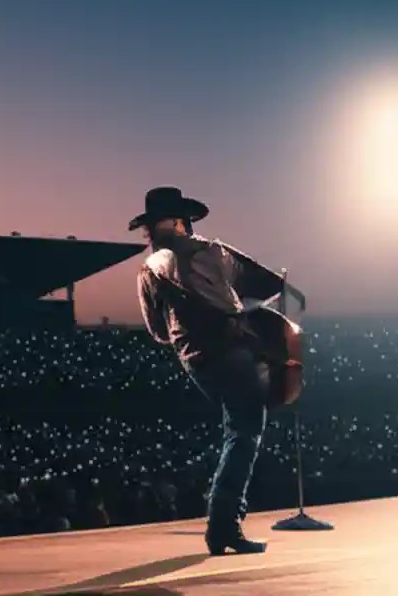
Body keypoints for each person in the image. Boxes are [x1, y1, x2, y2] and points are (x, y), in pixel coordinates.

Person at [130, 186, 287, 555]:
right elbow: (268, 287)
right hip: (233, 350)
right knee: (245, 432)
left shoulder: (148, 269)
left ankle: (224, 522)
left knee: (237, 430)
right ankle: (223, 525)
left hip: (195, 361)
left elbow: (157, 332)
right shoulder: (211, 251)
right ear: (181, 221)